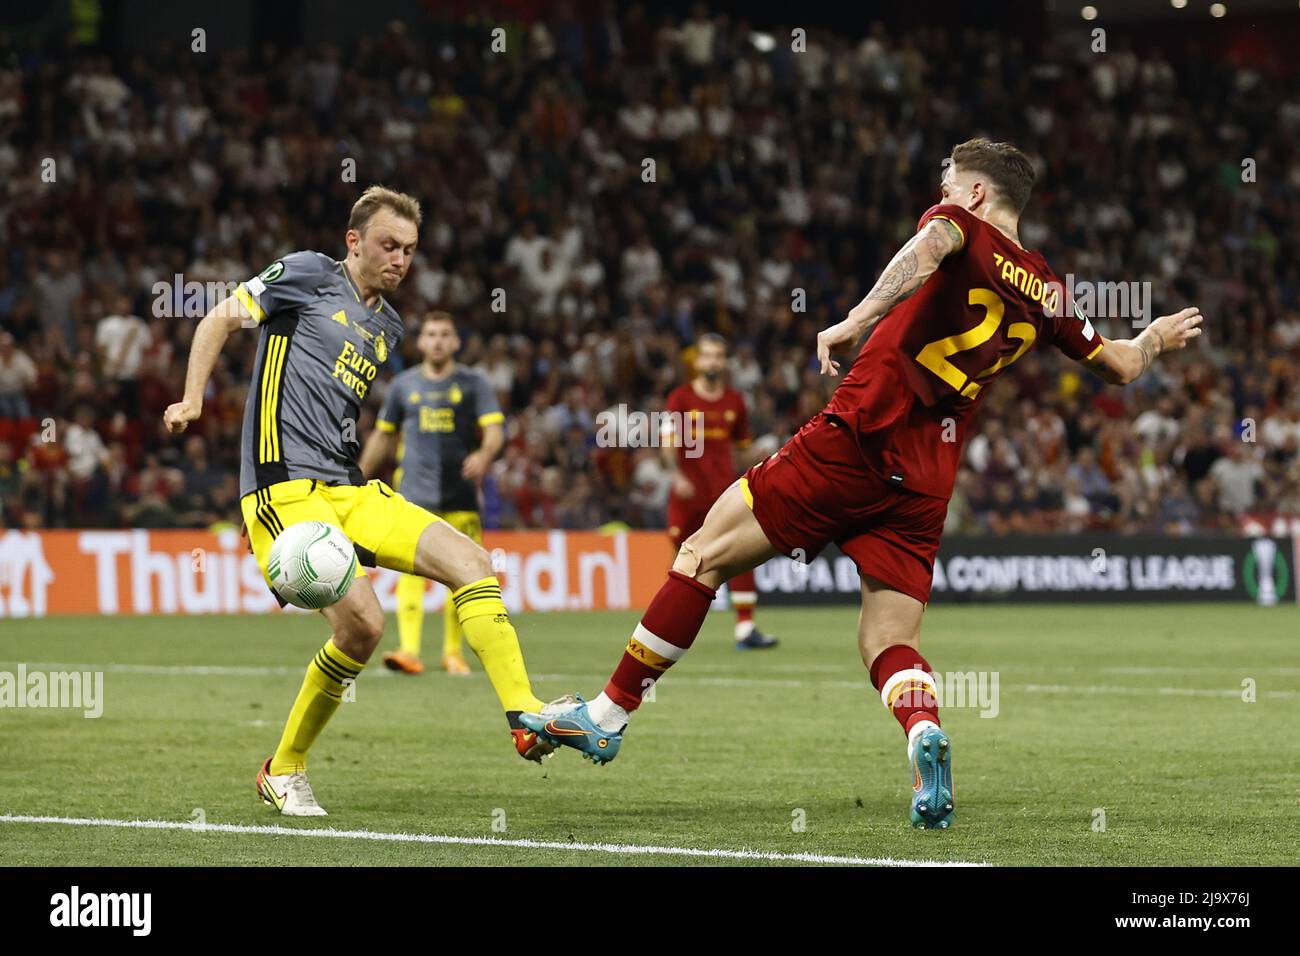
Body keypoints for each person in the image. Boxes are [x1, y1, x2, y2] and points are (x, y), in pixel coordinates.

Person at [522, 139, 1203, 829]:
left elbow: (928, 248)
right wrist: (1154, 338)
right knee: (886, 638)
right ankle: (921, 732)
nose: (940, 192)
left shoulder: (958, 225)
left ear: (972, 195)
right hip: (925, 480)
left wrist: (854, 319)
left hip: (859, 435)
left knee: (702, 555)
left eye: (947, 181)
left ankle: (607, 715)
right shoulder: (1049, 291)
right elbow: (1120, 365)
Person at [164, 186, 554, 816]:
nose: (400, 260)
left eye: (409, 250)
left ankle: (525, 715)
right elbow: (217, 319)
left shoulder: (388, 327)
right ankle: (283, 768)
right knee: (365, 626)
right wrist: (194, 399)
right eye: (388, 245)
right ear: (354, 242)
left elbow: (336, 414)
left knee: (474, 563)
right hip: (284, 486)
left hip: (349, 487)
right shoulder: (307, 274)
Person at [358, 310, 505, 677]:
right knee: (410, 573)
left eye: (445, 335)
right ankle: (409, 650)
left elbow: (495, 430)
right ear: (421, 342)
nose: (438, 341)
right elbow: (383, 435)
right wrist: (358, 476)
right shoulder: (403, 386)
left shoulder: (473, 384)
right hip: (413, 498)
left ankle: (453, 653)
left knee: (463, 572)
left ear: (455, 342)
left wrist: (484, 454)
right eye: (431, 334)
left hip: (460, 497)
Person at [663, 333, 776, 649]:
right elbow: (668, 442)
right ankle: (672, 627)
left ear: (724, 361)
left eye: (718, 355)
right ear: (697, 361)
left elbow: (741, 449)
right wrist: (676, 475)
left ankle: (746, 628)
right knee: (681, 558)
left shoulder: (734, 402)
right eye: (708, 355)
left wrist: (757, 466)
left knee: (741, 550)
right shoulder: (680, 399)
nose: (713, 361)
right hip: (688, 493)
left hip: (724, 492)